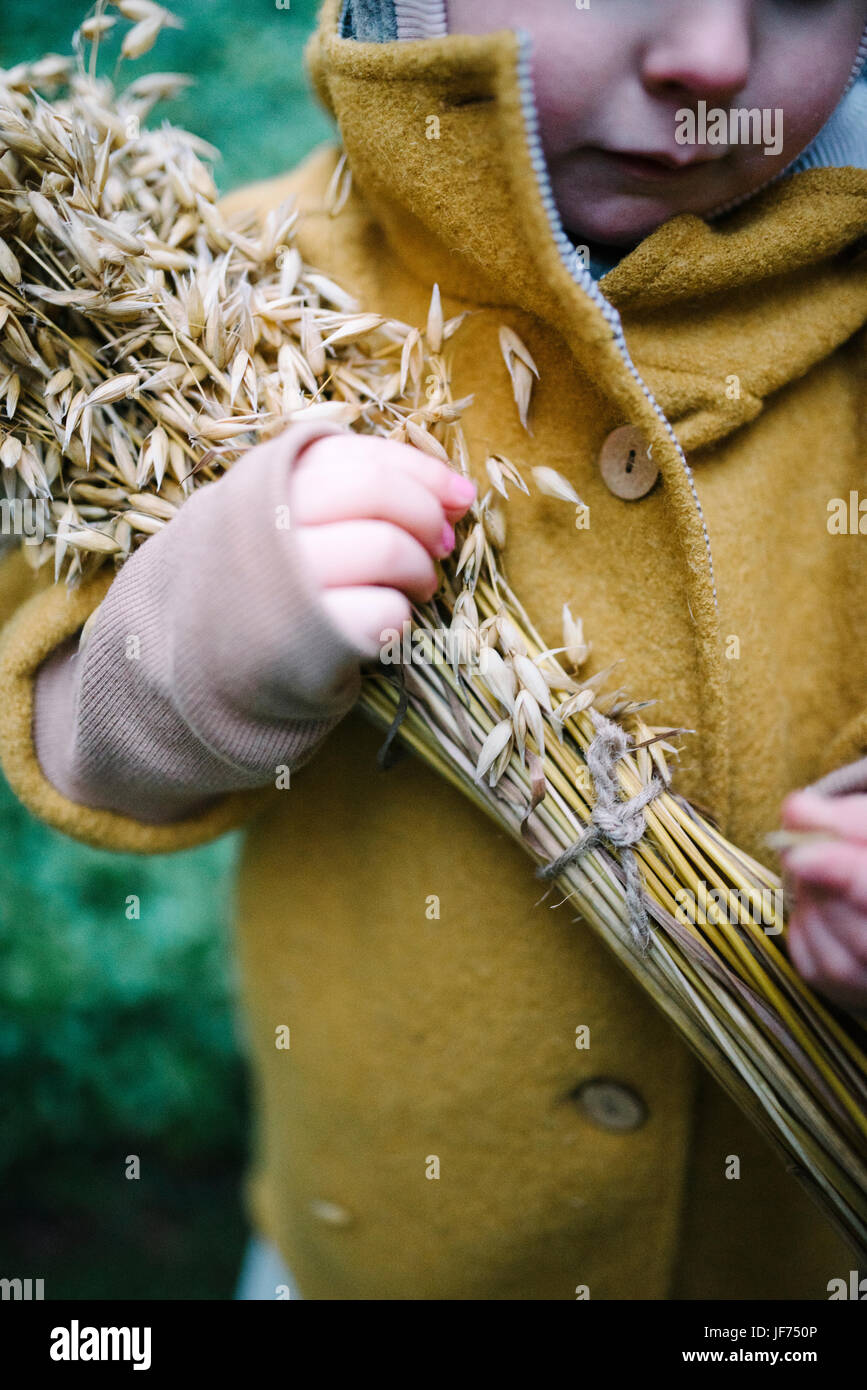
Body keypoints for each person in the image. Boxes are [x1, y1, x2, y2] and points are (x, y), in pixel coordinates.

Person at [1, 0, 867, 1300]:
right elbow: (73, 731)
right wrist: (201, 636)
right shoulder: (226, 293)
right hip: (385, 1250)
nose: (717, 60)